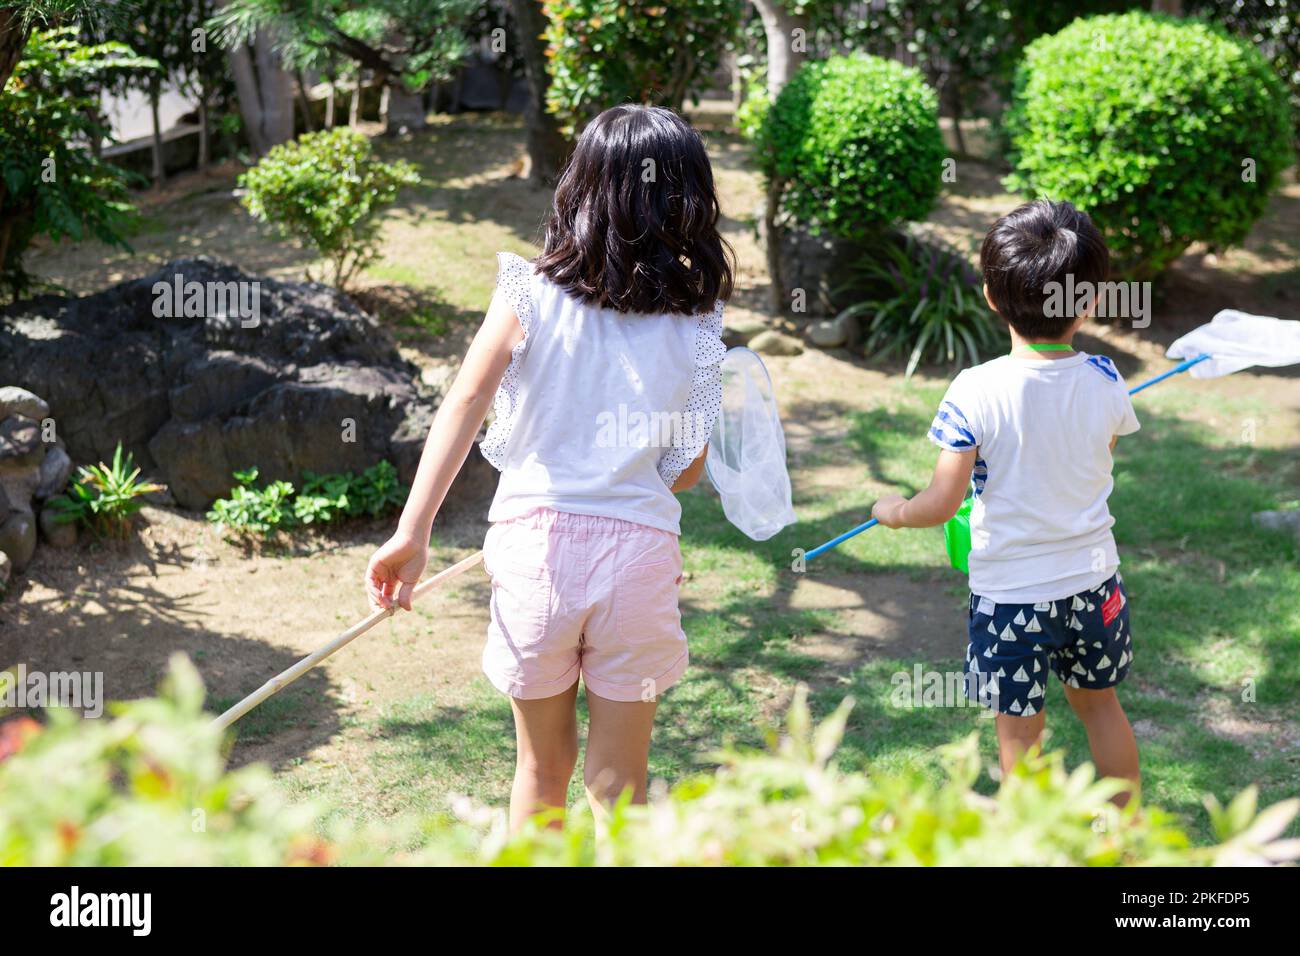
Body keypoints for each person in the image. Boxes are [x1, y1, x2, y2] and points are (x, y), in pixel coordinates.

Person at [365, 105, 732, 831]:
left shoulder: (528, 291)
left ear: (582, 187)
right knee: (621, 780)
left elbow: (465, 401)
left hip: (534, 553)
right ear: (686, 199)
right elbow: (683, 473)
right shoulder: (699, 322)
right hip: (639, 563)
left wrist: (412, 532)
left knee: (540, 769)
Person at [871, 200, 1141, 803]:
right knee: (1101, 709)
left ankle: (1031, 846)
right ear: (1091, 300)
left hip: (1012, 598)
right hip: (1095, 584)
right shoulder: (1106, 377)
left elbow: (941, 503)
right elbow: (1098, 451)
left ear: (992, 297)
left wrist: (892, 511)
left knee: (1020, 733)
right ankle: (1130, 840)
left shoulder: (975, 389)